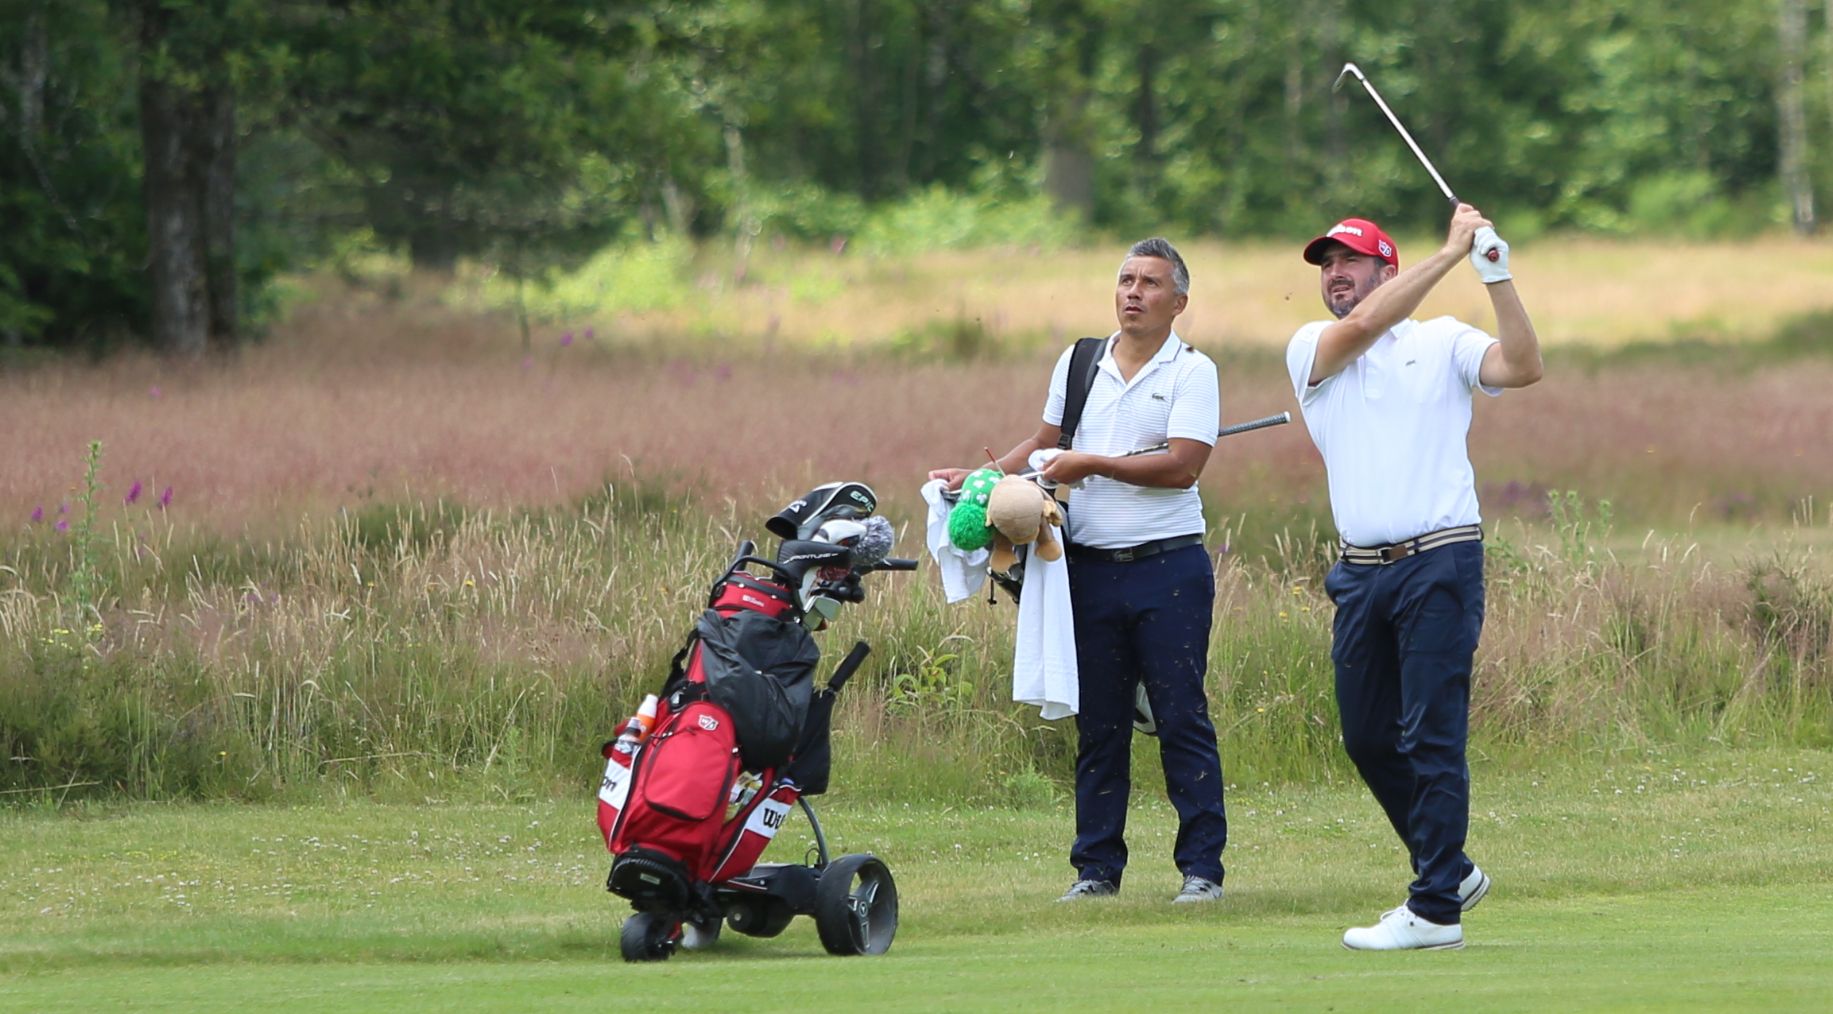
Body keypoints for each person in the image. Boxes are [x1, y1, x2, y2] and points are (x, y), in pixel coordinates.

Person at [927, 237, 1229, 904]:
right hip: (1085, 570)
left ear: (1177, 302)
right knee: (1099, 724)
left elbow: (1182, 465)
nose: (1133, 292)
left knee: (1180, 717)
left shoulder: (1192, 372)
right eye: (1125, 279)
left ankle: (1200, 870)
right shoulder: (1080, 359)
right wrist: (978, 477)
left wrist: (1091, 463)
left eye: (1150, 283)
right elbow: (1042, 445)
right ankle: (1096, 870)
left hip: (1168, 568)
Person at [1284, 205, 1542, 950]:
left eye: (1350, 262)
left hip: (1440, 560)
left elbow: (1522, 367)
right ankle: (1448, 867)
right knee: (1367, 737)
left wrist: (1494, 276)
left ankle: (1434, 909)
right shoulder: (1312, 348)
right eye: (1326, 265)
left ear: (1385, 271)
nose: (1335, 275)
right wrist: (1451, 252)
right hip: (1360, 575)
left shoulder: (1441, 341)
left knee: (1431, 734)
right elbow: (1359, 330)